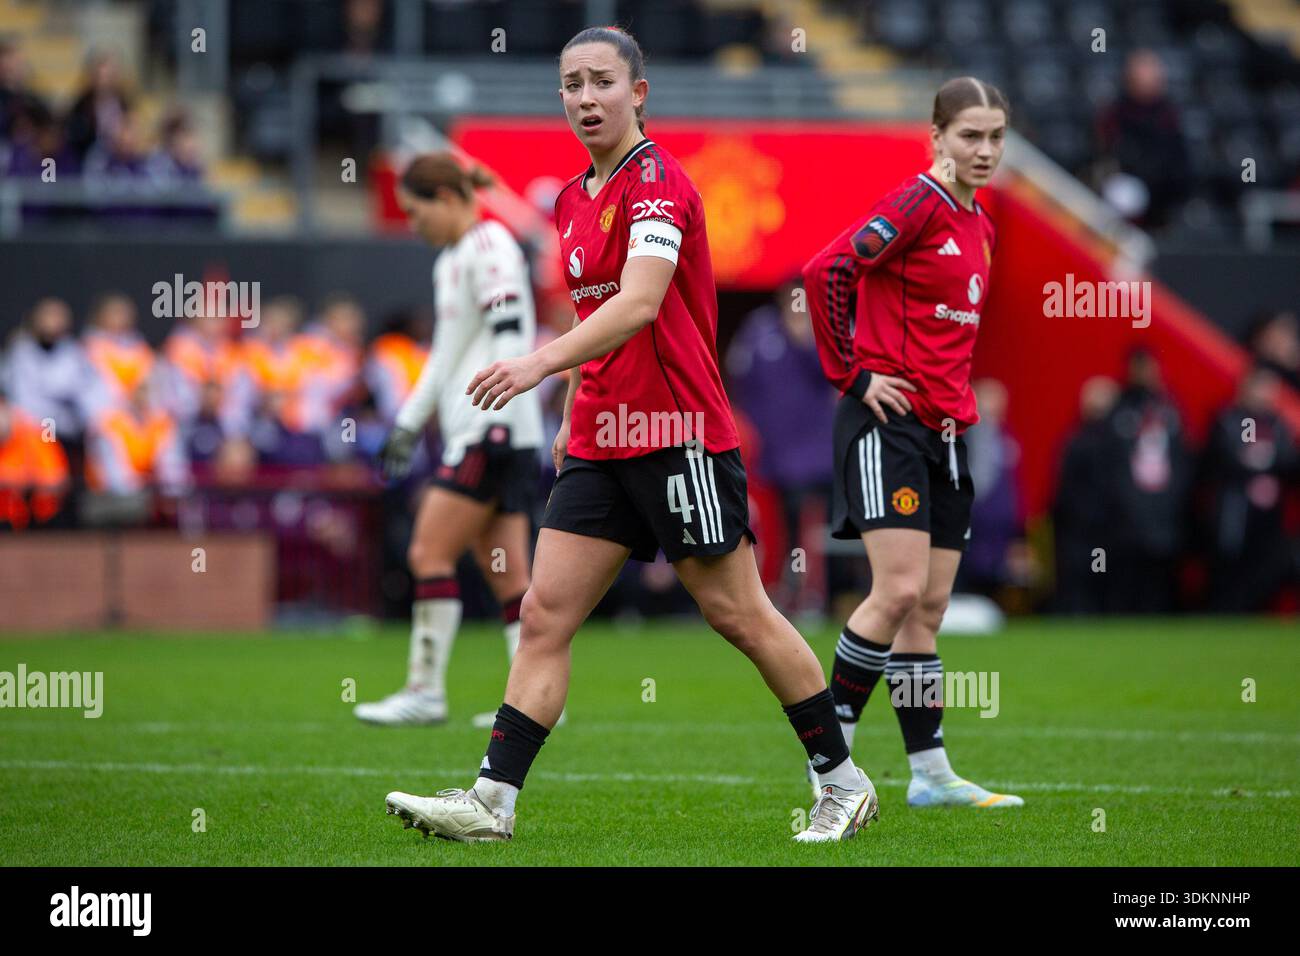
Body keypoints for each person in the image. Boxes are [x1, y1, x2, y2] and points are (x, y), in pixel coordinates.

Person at [384, 26, 877, 844]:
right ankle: (491, 803)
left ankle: (843, 781)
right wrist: (577, 412)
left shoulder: (658, 184)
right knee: (543, 614)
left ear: (638, 91)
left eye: (601, 81)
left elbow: (641, 302)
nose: (585, 98)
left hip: (678, 434)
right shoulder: (573, 197)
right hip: (603, 440)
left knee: (740, 615)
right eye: (571, 84)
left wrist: (539, 366)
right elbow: (595, 315)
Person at [802, 76, 1023, 810]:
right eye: (970, 136)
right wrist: (855, 374)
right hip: (888, 425)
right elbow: (828, 268)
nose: (984, 150)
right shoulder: (920, 202)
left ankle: (929, 774)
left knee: (926, 607)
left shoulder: (981, 224)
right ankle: (829, 758)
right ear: (937, 139)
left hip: (948, 432)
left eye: (995, 136)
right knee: (895, 591)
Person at [355, 153, 544, 728]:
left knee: (426, 552)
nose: (413, 225)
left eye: (416, 211)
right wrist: (410, 423)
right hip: (504, 429)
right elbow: (444, 358)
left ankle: (425, 690)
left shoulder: (487, 247)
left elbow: (510, 324)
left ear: (445, 198)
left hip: (490, 429)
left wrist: (497, 415)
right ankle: (534, 701)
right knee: (509, 575)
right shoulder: (458, 257)